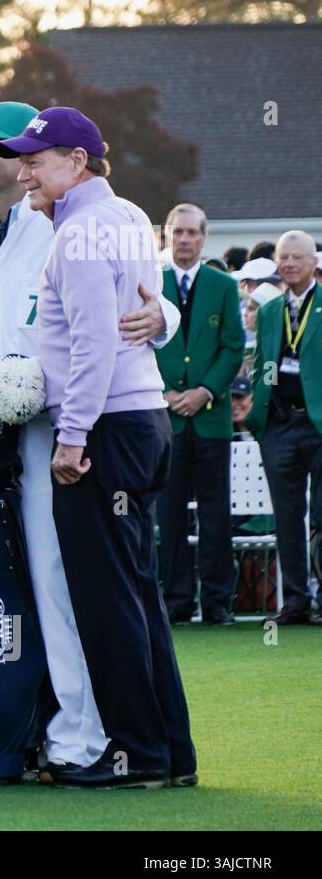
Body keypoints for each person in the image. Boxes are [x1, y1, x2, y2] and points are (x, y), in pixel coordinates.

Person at [0, 101, 177, 774]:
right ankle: (150, 744)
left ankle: (117, 743)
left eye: (30, 156)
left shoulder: (71, 228)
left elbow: (101, 333)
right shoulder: (111, 215)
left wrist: (73, 436)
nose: (20, 168)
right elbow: (138, 300)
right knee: (110, 590)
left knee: (93, 592)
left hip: (85, 423)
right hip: (82, 422)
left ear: (74, 162)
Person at [155, 204, 246, 626]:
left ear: (204, 237)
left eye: (193, 232)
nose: (185, 240)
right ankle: (175, 600)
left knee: (215, 513)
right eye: (178, 232)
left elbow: (233, 348)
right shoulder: (148, 284)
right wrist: (166, 392)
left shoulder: (223, 285)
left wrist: (204, 391)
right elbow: (135, 343)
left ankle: (217, 601)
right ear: (166, 236)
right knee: (169, 512)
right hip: (166, 417)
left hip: (211, 419)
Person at [245, 230, 322, 626]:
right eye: (284, 258)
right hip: (280, 423)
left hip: (318, 424)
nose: (289, 264)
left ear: (314, 262)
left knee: (321, 515)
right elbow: (265, 361)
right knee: (287, 517)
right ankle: (295, 601)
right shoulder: (271, 310)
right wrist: (261, 410)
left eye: (297, 257)